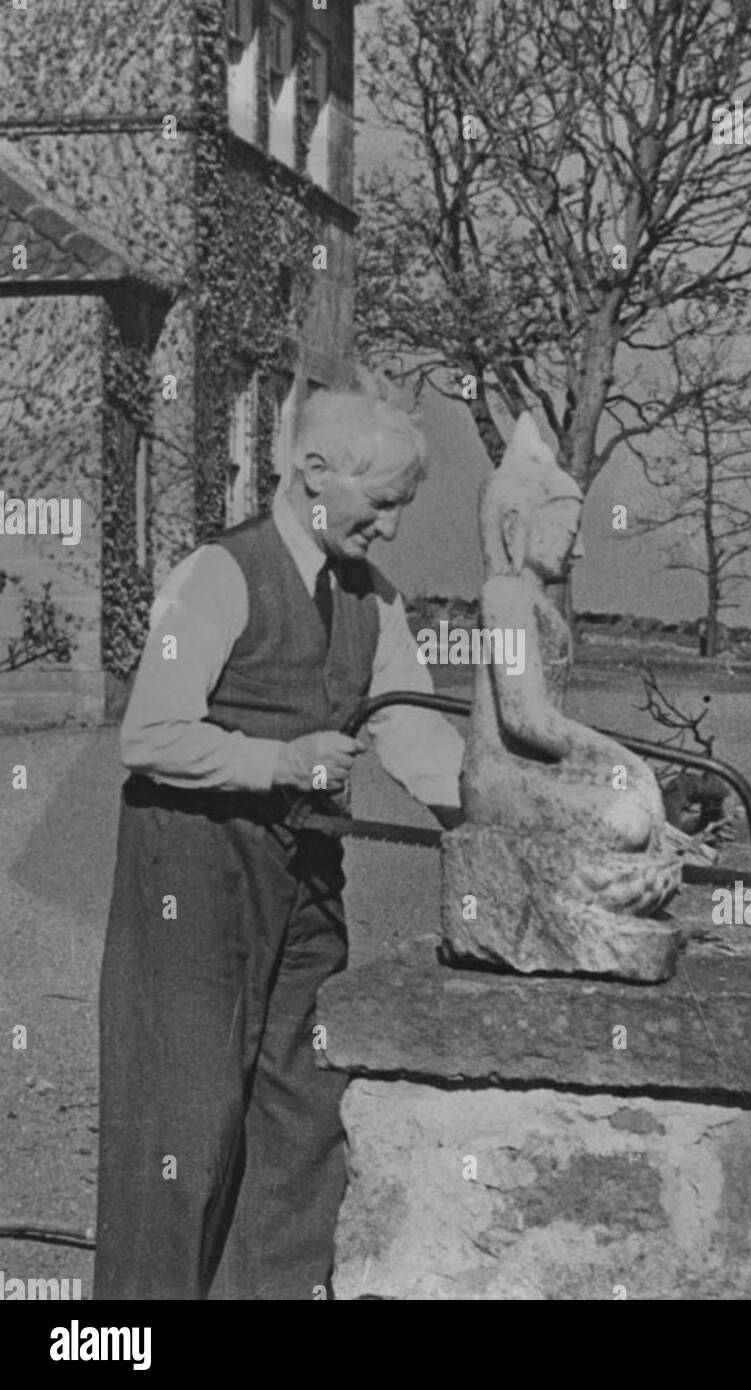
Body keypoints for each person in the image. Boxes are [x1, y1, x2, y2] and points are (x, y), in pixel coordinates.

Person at [94, 389, 464, 1300]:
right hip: (193, 867)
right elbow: (148, 737)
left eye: (402, 508)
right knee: (180, 1122)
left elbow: (418, 742)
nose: (390, 527)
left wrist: (512, 813)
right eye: (380, 502)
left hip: (305, 879)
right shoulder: (218, 574)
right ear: (312, 474)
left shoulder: (375, 602)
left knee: (303, 1116)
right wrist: (281, 759)